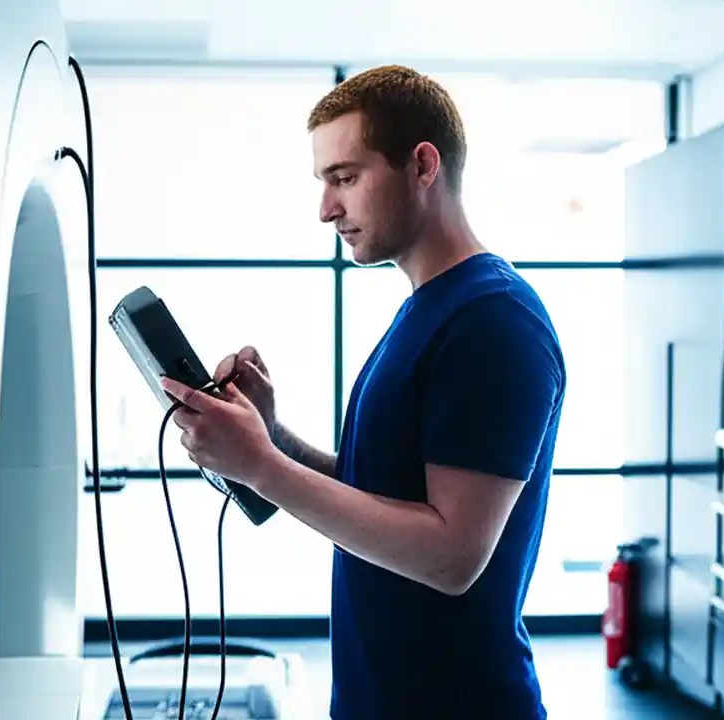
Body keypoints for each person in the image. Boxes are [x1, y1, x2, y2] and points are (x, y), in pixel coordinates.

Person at [161, 65, 566, 720]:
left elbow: (452, 557)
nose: (326, 208)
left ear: (423, 165)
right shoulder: (431, 309)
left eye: (345, 178)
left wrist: (260, 466)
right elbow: (380, 492)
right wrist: (271, 438)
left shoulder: (494, 321)